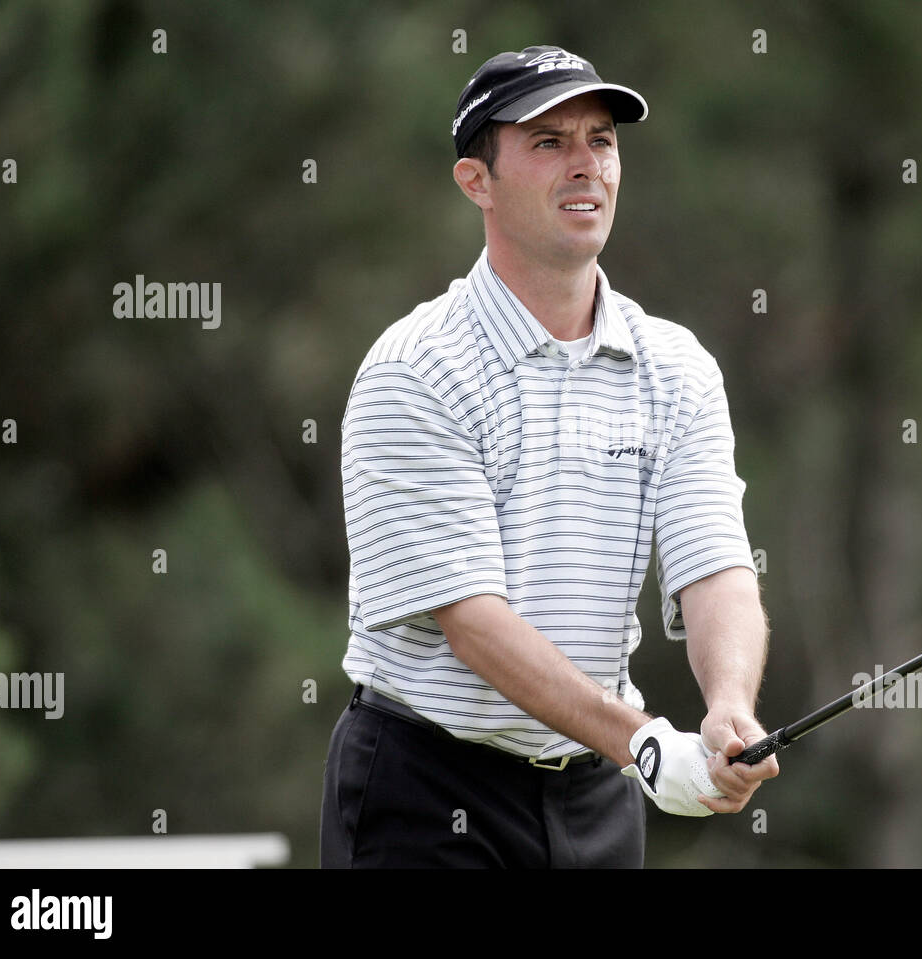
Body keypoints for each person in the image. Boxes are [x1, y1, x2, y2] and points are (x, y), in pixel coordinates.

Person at [320, 44, 778, 868]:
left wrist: (728, 708)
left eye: (600, 141)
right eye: (548, 143)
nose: (585, 166)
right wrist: (641, 740)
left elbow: (715, 566)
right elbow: (476, 625)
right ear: (476, 182)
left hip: (596, 792)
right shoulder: (415, 370)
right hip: (428, 790)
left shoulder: (676, 367)